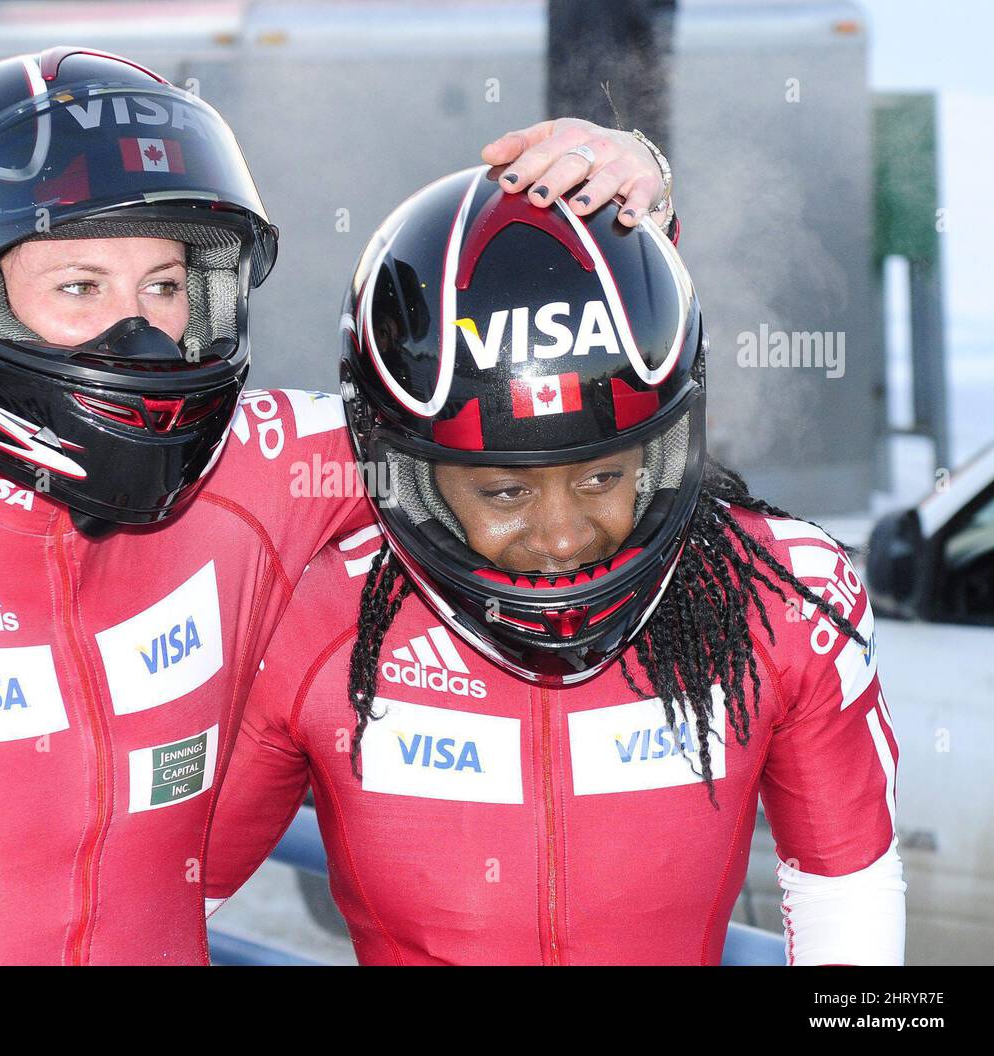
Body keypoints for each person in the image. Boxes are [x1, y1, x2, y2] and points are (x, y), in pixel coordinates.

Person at [0, 49, 672, 964]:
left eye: (166, 284)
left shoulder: (262, 471)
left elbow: (521, 400)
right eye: (79, 285)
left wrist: (622, 201)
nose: (144, 331)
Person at [204, 168, 906, 965]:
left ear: (670, 443)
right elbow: (150, 900)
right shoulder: (310, 612)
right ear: (407, 470)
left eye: (604, 476)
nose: (565, 536)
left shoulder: (781, 594)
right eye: (504, 490)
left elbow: (844, 894)